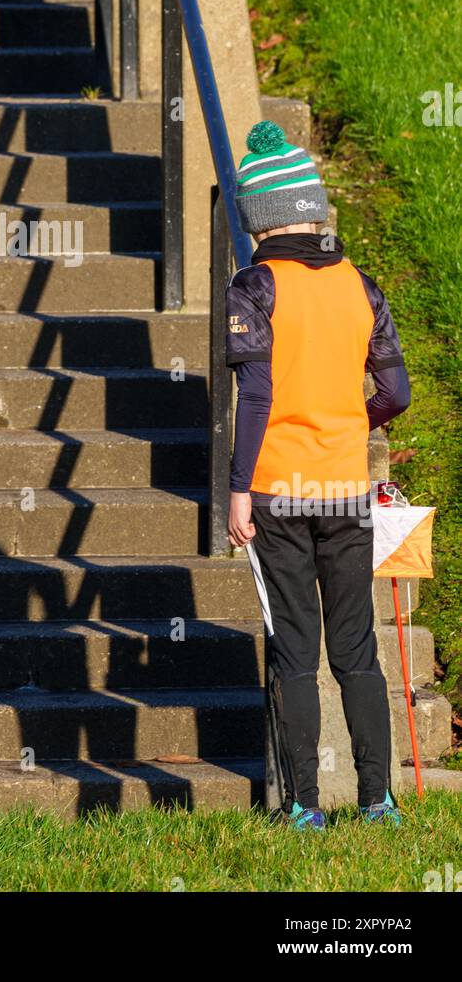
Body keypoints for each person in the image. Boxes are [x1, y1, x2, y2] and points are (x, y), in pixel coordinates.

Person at [225, 121, 411, 830]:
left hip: (277, 487)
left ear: (259, 221)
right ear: (313, 209)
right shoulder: (360, 286)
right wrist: (347, 422)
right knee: (357, 650)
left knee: (296, 651)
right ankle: (377, 800)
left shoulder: (256, 287)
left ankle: (303, 804)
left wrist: (239, 488)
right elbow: (396, 394)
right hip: (344, 488)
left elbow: (258, 399)